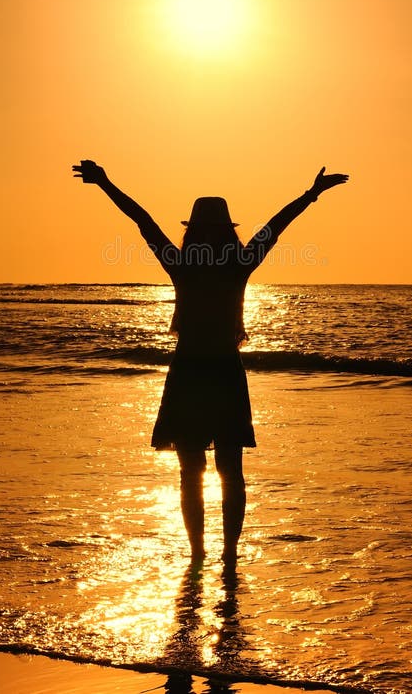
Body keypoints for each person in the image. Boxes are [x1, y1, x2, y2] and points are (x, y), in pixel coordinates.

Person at [72, 160, 348, 568]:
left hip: (188, 373)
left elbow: (143, 221)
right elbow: (276, 226)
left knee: (192, 473)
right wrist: (310, 194)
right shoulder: (239, 264)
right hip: (223, 372)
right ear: (228, 233)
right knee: (229, 471)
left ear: (192, 233)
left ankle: (200, 554)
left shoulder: (182, 265)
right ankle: (228, 555)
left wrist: (106, 184)